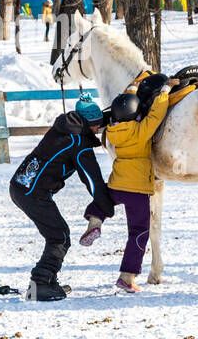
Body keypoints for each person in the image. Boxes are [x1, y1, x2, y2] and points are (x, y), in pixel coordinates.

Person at [9, 95, 115, 302]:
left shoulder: (66, 128)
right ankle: (39, 285)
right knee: (60, 236)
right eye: (96, 126)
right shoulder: (79, 143)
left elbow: (92, 122)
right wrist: (107, 207)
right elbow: (92, 180)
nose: (98, 130)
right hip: (33, 194)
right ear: (90, 124)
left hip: (20, 186)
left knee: (59, 234)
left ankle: (49, 282)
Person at [79, 76, 172, 293]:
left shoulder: (112, 132)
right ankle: (126, 277)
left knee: (102, 200)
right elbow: (157, 114)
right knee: (139, 232)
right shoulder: (141, 132)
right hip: (138, 190)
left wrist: (132, 87)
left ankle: (95, 222)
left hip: (117, 184)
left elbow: (124, 107)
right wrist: (165, 90)